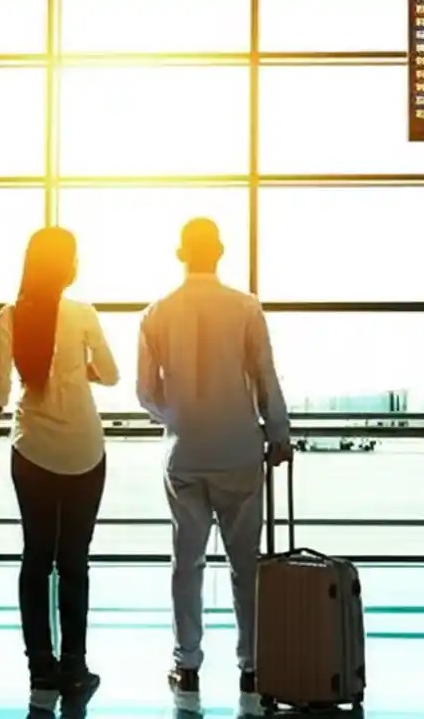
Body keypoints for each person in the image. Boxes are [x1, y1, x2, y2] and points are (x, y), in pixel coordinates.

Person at [136, 217, 292, 700]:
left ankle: (187, 664)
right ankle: (252, 666)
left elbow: (145, 391)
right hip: (239, 450)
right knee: (246, 565)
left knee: (187, 562)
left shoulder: (156, 313)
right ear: (220, 253)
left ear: (180, 254)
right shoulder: (245, 308)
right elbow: (264, 375)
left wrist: (178, 417)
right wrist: (278, 433)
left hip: (185, 453)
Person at [0, 226, 119, 712]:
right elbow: (112, 374)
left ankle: (41, 666)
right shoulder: (83, 314)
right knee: (75, 561)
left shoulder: (10, 316)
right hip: (84, 452)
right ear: (67, 266)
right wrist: (81, 371)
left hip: (32, 450)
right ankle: (74, 666)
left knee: (36, 558)